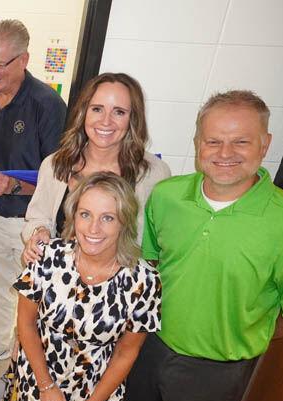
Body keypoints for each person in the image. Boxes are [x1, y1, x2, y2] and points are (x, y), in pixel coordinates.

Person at [119, 90, 283, 401]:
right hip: (148, 347)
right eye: (213, 141)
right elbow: (153, 265)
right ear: (198, 143)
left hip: (220, 373)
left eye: (241, 142)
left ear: (265, 144)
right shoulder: (166, 196)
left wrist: (235, 334)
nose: (225, 153)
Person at [2, 172, 161, 401]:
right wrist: (45, 386)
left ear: (125, 222)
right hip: (39, 376)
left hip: (98, 390)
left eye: (108, 218)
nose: (93, 228)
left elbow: (126, 352)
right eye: (85, 214)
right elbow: (26, 324)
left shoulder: (144, 281)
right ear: (73, 215)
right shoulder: (47, 257)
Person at [0, 19, 67, 371]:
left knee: (29, 299)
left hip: (30, 224)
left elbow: (60, 179)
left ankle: (17, 369)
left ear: (24, 59)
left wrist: (14, 186)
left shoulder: (47, 106)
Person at [21, 72, 171, 266]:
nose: (105, 121)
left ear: (133, 119)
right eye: (97, 109)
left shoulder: (153, 174)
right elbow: (36, 218)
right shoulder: (56, 165)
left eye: (119, 112)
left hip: (118, 289)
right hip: (60, 283)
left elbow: (155, 245)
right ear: (84, 112)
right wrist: (39, 232)